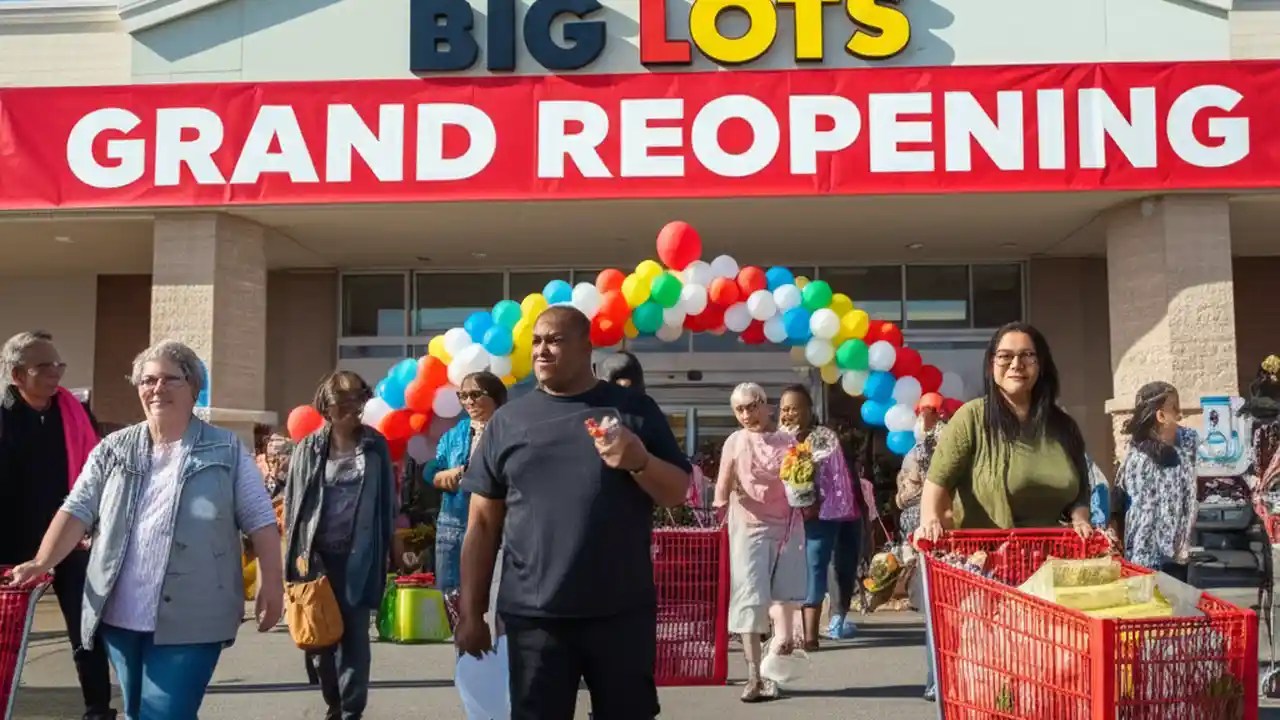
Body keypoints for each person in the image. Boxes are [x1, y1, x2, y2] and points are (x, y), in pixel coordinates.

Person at [7, 339, 283, 720]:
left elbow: (261, 520)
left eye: (170, 379)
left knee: (164, 714)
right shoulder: (113, 448)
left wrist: (272, 583)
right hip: (119, 615)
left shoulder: (227, 450)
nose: (157, 388)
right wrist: (41, 562)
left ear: (193, 386)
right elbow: (76, 509)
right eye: (148, 380)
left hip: (194, 616)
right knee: (140, 713)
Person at [454, 306, 691, 720]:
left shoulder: (633, 411)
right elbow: (482, 523)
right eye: (537, 341)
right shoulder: (508, 421)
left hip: (620, 612)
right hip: (534, 618)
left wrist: (639, 461)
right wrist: (472, 613)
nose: (542, 350)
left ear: (586, 347)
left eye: (555, 340)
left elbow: (676, 492)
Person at [914, 322, 1091, 702]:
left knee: (1049, 675)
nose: (1016, 365)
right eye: (1005, 356)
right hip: (988, 570)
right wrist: (930, 520)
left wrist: (1080, 518)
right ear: (991, 364)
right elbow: (937, 483)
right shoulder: (972, 419)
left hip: (1050, 571)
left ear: (1041, 364)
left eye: (1027, 356)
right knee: (994, 677)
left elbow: (1079, 487)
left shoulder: (1062, 426)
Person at [0, 331, 116, 720]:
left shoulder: (74, 411)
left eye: (58, 364)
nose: (55, 373)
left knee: (87, 628)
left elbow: (98, 470)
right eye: (44, 366)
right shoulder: (3, 415)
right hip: (9, 542)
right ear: (17, 375)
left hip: (69, 537)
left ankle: (98, 708)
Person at [285, 370, 397, 720]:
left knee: (355, 640)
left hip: (358, 556)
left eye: (357, 399)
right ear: (326, 405)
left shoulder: (375, 445)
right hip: (316, 557)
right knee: (320, 640)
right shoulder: (308, 448)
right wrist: (293, 559)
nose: (351, 408)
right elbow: (293, 505)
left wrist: (389, 551)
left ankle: (350, 711)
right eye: (342, 400)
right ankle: (333, 700)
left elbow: (387, 504)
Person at [714, 382, 806, 703]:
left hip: (787, 528)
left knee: (784, 598)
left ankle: (773, 666)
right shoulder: (735, 441)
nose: (746, 415)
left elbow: (801, 482)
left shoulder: (788, 442)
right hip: (748, 527)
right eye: (739, 409)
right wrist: (719, 509)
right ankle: (753, 676)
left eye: (752, 406)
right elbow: (723, 484)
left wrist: (805, 487)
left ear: (766, 406)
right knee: (750, 600)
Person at [777, 384, 861, 651]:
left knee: (816, 563)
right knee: (787, 569)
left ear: (808, 410)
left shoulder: (823, 437)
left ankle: (811, 635)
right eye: (784, 409)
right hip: (783, 518)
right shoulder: (776, 439)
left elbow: (836, 477)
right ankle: (784, 632)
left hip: (821, 514)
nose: (789, 414)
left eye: (795, 408)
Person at [429, 371, 508, 592]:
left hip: (497, 523)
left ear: (496, 397)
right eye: (462, 396)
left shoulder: (509, 430)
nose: (468, 401)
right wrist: (443, 476)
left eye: (475, 394)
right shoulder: (454, 435)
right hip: (454, 524)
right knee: (450, 594)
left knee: (491, 591)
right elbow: (432, 471)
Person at [1112, 381, 1198, 579]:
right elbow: (1141, 515)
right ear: (1161, 416)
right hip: (1147, 559)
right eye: (1175, 409)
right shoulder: (1140, 459)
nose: (1180, 415)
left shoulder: (1186, 443)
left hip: (1176, 555)